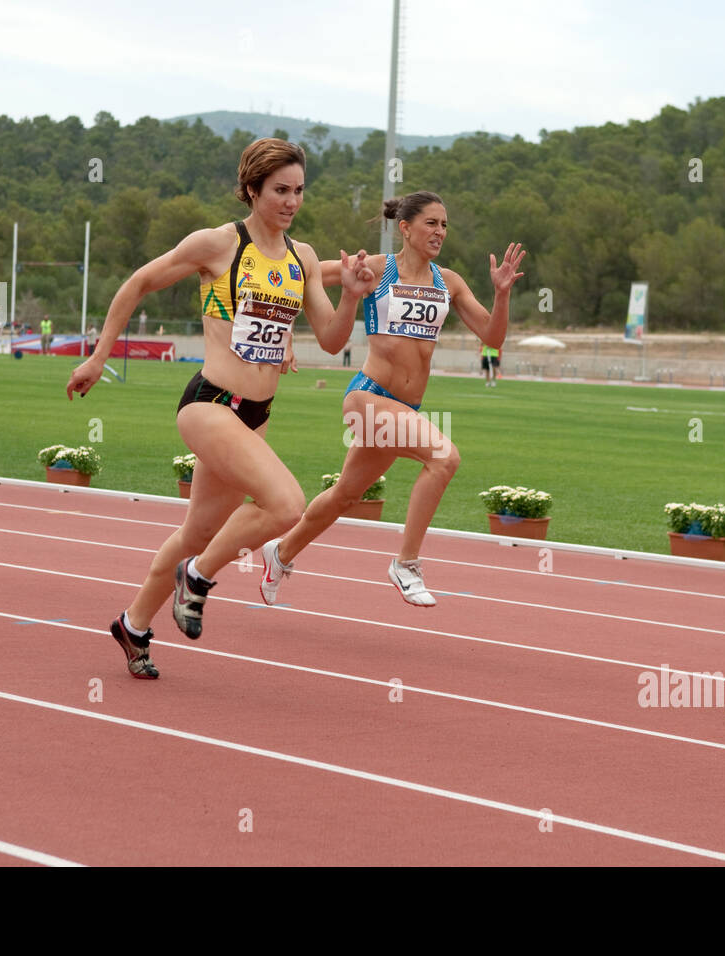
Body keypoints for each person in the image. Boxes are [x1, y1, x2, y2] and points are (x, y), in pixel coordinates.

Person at [66, 138, 374, 678]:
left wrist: (349, 296)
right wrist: (97, 356)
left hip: (254, 416)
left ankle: (133, 624)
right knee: (285, 505)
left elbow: (329, 338)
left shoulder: (301, 258)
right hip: (209, 404)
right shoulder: (216, 244)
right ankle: (200, 578)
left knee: (197, 533)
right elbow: (139, 281)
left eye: (299, 190)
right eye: (280, 190)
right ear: (252, 189)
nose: (291, 201)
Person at [260, 191, 526, 608]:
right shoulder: (378, 268)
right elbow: (302, 273)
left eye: (444, 225)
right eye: (431, 223)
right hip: (368, 397)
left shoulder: (449, 282)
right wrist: (285, 330)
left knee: (346, 494)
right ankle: (406, 563)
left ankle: (281, 552)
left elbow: (492, 336)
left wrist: (502, 294)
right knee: (444, 457)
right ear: (405, 227)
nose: (440, 232)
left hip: (405, 408)